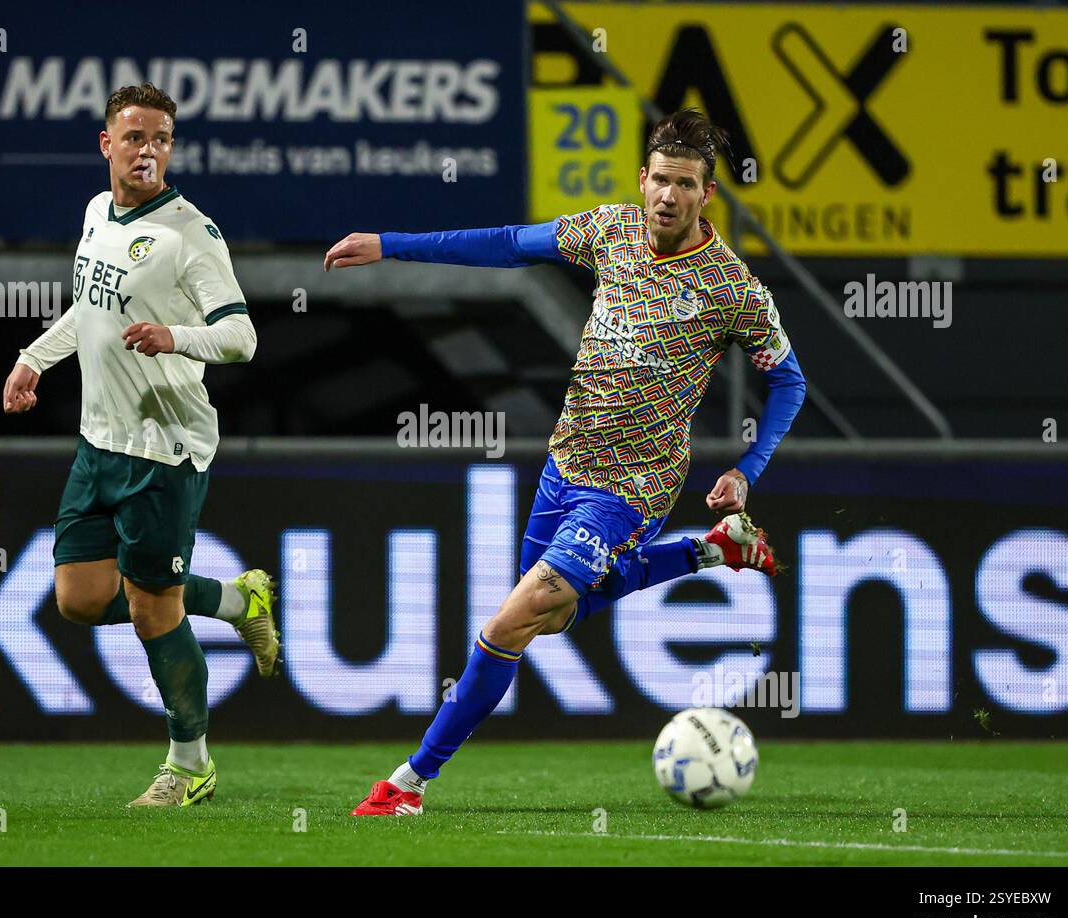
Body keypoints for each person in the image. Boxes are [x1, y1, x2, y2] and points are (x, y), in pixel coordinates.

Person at [324, 108, 806, 815]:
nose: (669, 196)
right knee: (552, 617)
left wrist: (746, 469)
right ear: (643, 179)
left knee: (512, 622)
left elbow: (790, 380)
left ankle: (407, 783)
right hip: (565, 467)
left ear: (708, 196)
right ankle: (709, 554)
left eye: (686, 185)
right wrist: (391, 245)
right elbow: (509, 244)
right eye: (661, 180)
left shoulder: (732, 289)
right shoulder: (610, 231)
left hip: (633, 488)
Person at [2, 83, 280, 807]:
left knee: (153, 607)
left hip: (164, 449)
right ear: (107, 144)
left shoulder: (193, 236)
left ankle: (190, 764)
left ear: (170, 148)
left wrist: (174, 337)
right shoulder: (97, 213)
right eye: (133, 137)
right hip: (100, 443)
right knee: (78, 599)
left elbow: (242, 336)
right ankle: (236, 599)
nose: (147, 150)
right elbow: (91, 306)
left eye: (160, 138)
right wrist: (36, 357)